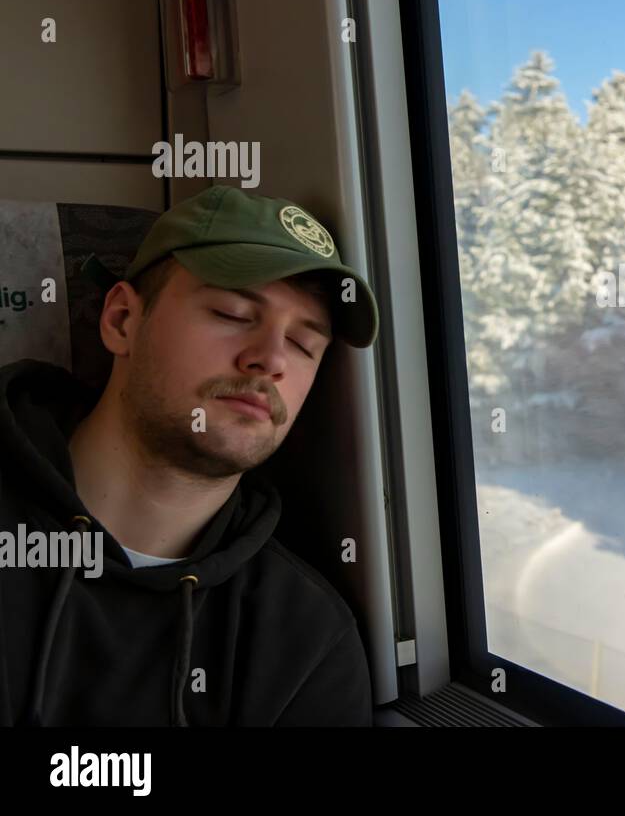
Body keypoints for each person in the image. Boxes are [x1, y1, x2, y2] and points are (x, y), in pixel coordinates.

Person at [0, 186, 380, 726]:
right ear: (122, 320)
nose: (271, 359)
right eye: (232, 312)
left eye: (302, 345)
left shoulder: (305, 638)